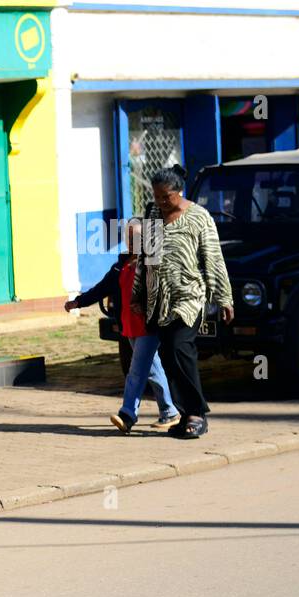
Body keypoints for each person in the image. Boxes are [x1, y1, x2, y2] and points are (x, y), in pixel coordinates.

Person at [132, 165, 234, 439]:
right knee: (167, 357)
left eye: (166, 197)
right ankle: (183, 412)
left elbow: (213, 259)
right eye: (157, 196)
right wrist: (137, 295)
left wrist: (223, 297)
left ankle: (197, 414)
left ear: (179, 192)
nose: (161, 202)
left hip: (188, 297)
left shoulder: (199, 217)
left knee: (180, 349)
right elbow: (146, 258)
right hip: (157, 299)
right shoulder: (153, 215)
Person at [65, 218, 179, 433]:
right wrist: (78, 302)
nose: (130, 240)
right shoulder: (120, 265)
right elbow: (101, 289)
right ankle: (170, 412)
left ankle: (127, 415)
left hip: (149, 327)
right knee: (153, 370)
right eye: (127, 236)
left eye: (135, 236)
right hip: (129, 326)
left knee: (136, 371)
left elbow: (166, 291)